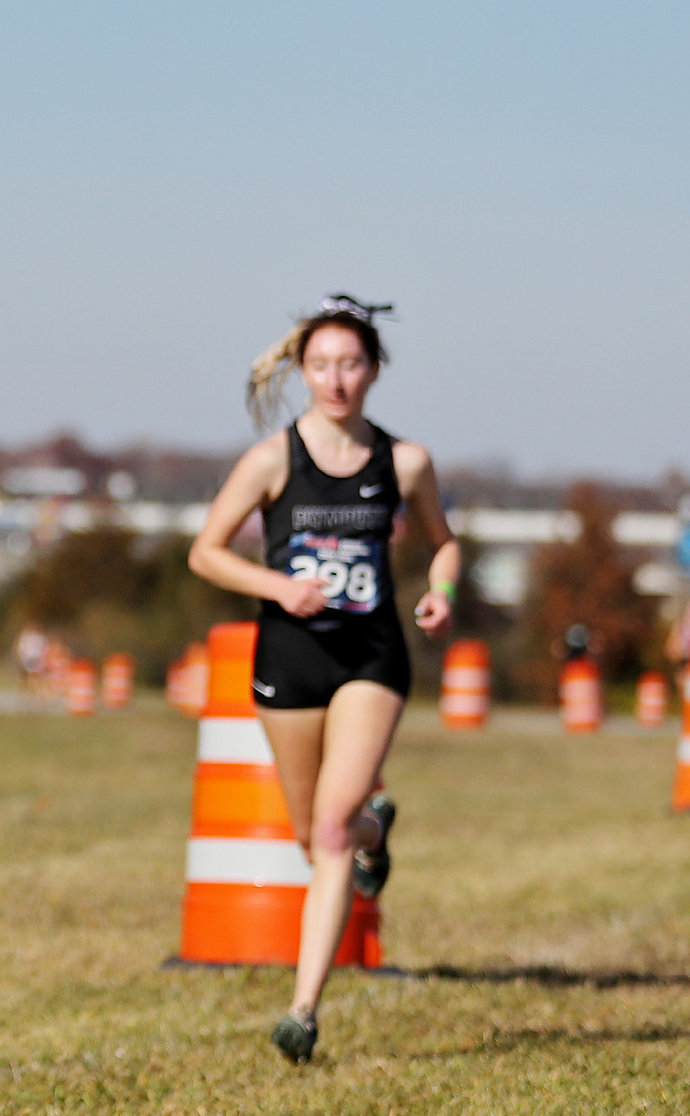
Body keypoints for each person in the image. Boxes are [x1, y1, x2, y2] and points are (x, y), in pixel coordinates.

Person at [188, 295, 459, 1064]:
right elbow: (205, 551)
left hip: (372, 656)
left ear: (373, 369)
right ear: (301, 371)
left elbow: (444, 542)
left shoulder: (404, 461)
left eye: (351, 363)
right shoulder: (274, 459)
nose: (337, 379)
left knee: (331, 826)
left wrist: (443, 590)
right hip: (289, 658)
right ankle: (378, 831)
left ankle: (303, 1010)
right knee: (318, 833)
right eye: (321, 365)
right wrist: (278, 588)